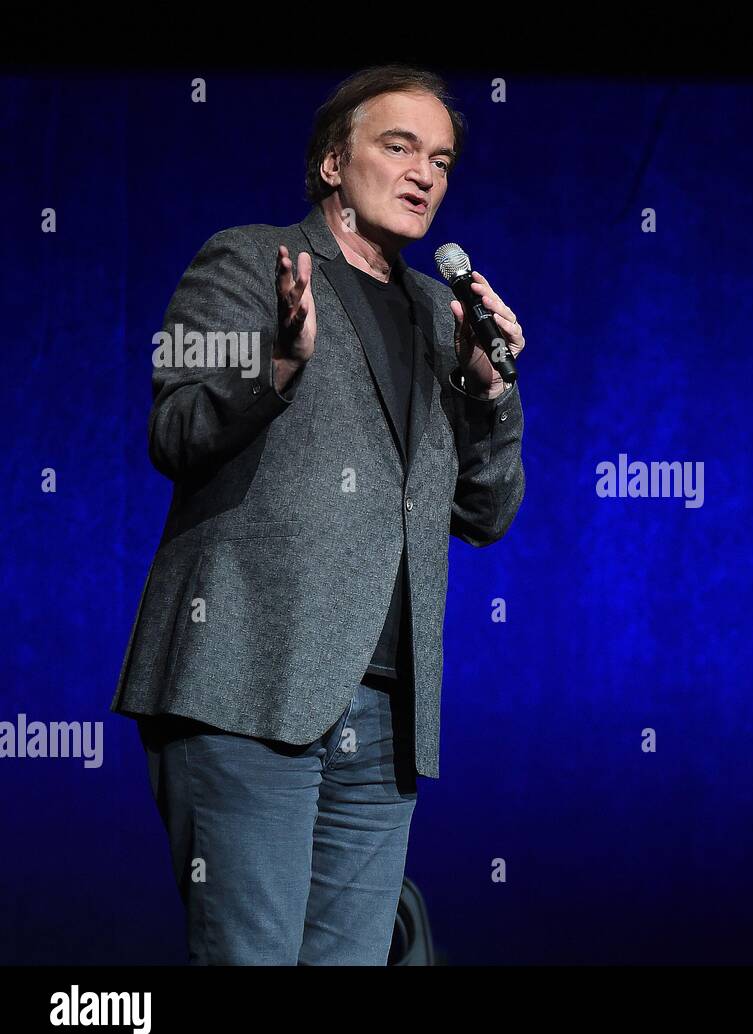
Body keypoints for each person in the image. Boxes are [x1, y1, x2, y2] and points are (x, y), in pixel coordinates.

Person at [110, 64, 526, 965]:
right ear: (334, 163)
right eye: (399, 145)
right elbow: (172, 426)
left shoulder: (438, 312)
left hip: (385, 714)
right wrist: (276, 368)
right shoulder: (245, 256)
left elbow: (485, 514)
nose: (426, 173)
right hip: (246, 683)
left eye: (443, 159)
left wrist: (492, 397)